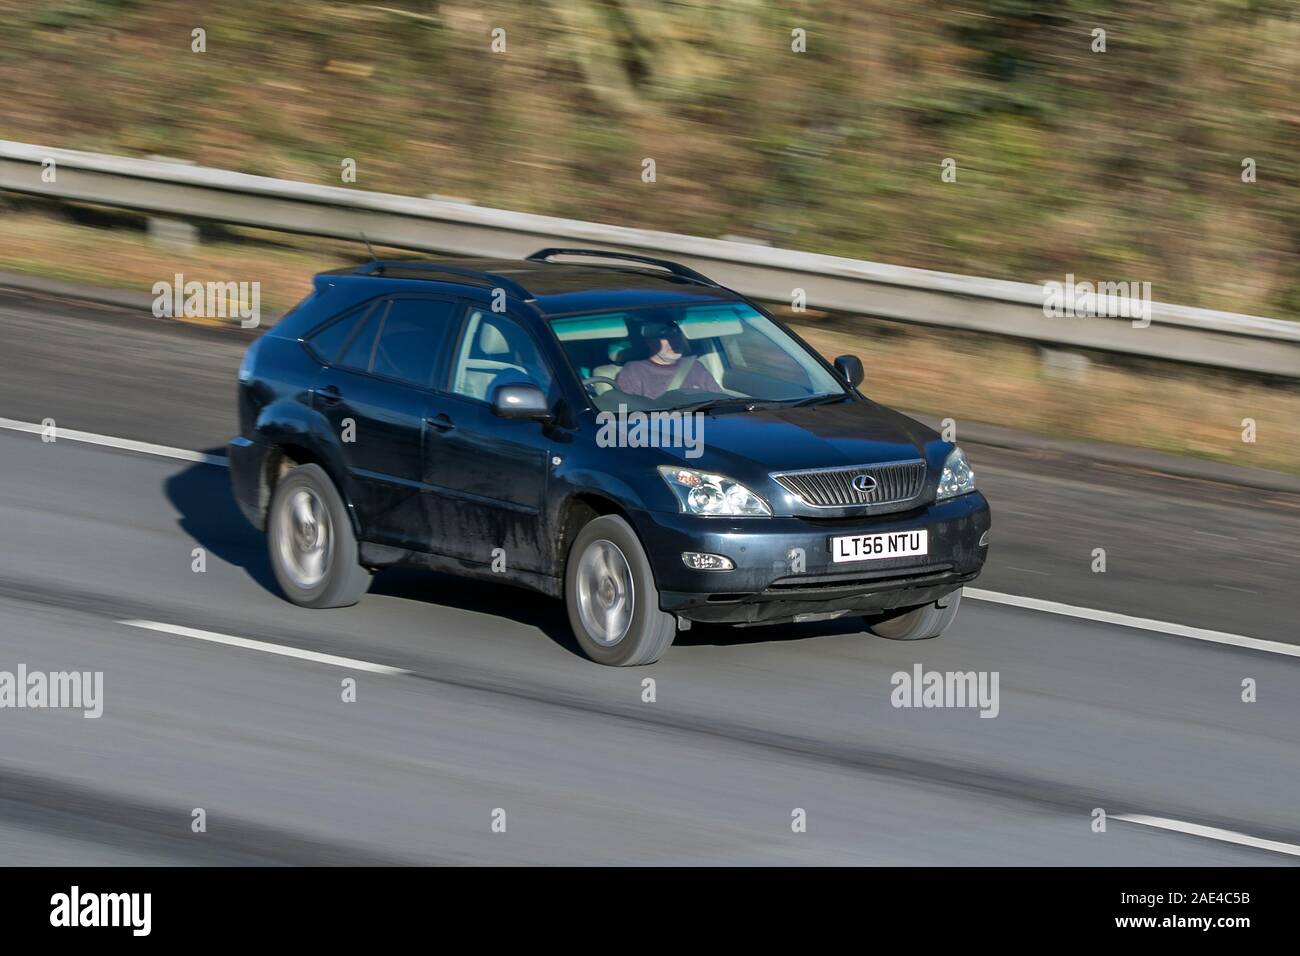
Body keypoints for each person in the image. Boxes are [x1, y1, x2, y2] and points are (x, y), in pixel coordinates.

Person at [615, 322, 721, 400]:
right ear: (650, 342)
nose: (674, 341)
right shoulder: (633, 371)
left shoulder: (695, 366)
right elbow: (627, 412)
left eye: (677, 334)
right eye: (665, 337)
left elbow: (718, 400)